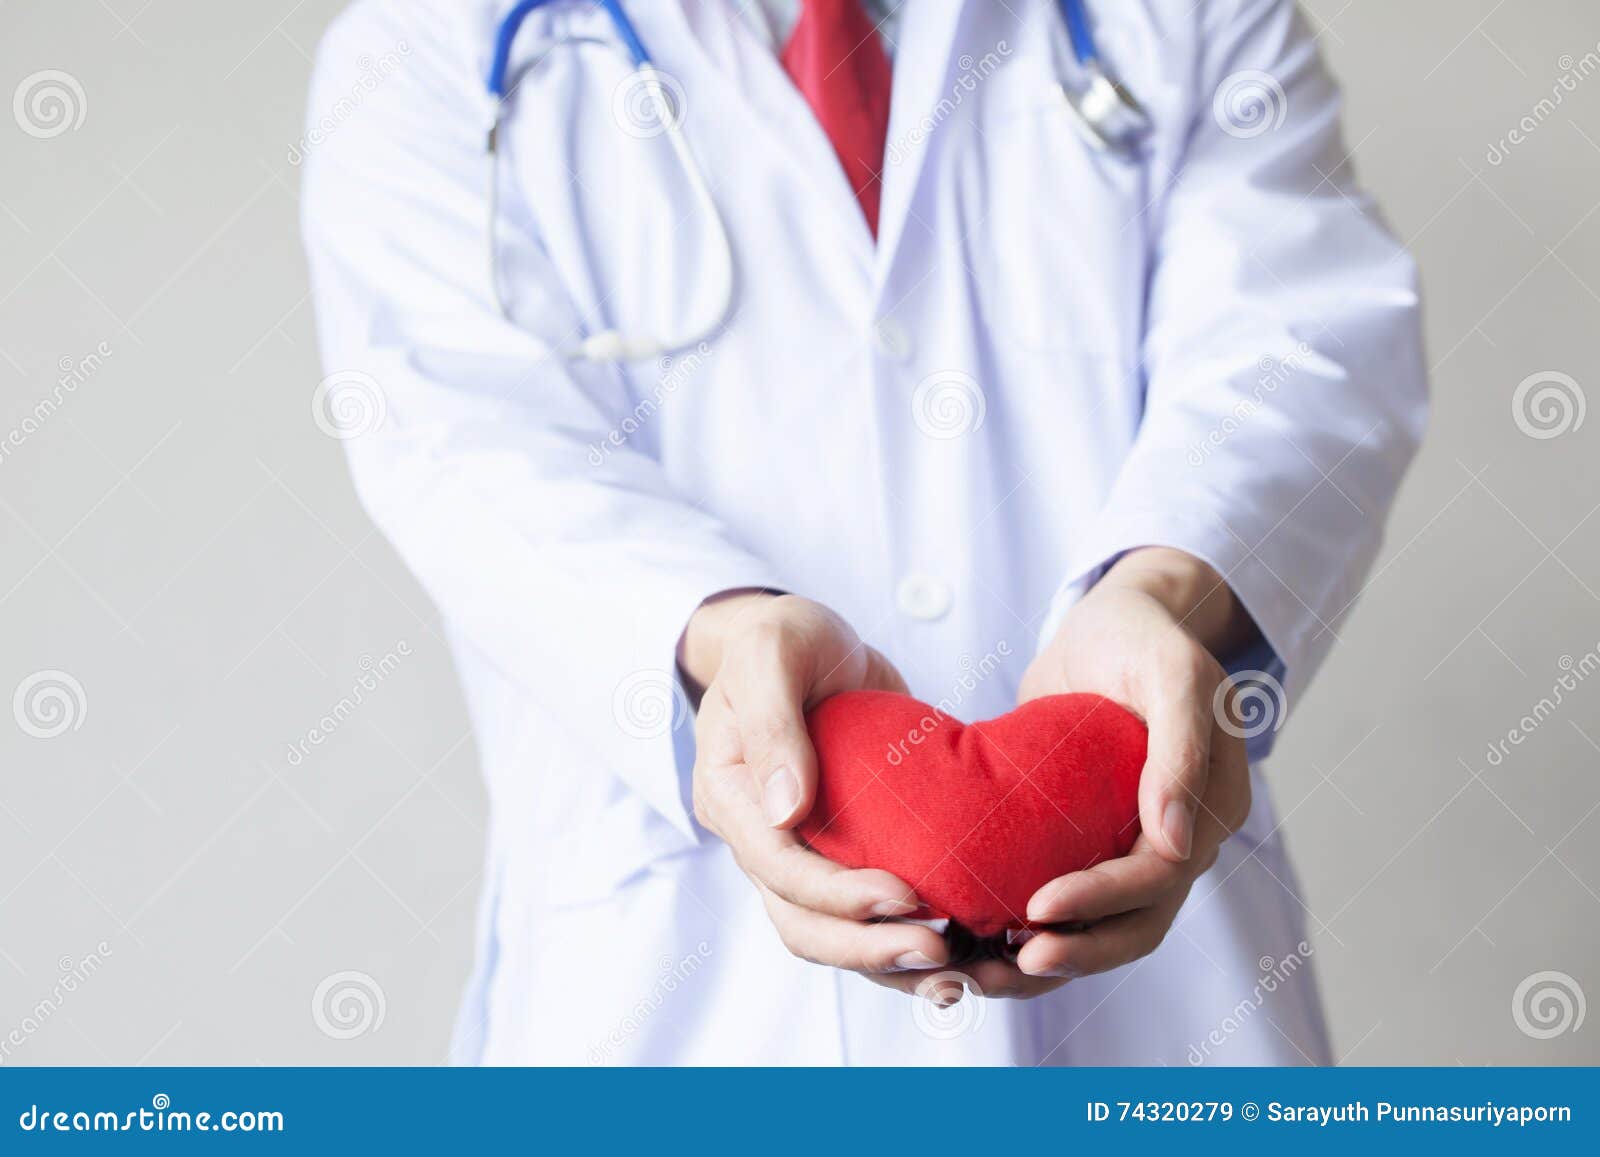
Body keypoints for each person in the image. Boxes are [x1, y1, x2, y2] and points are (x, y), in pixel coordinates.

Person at [301, 0, 1427, 1065]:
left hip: (1162, 1008)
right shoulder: (430, 47)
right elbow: (461, 441)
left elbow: (1301, 354)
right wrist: (714, 634)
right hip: (678, 1008)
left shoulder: (1189, 17)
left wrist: (1163, 588)